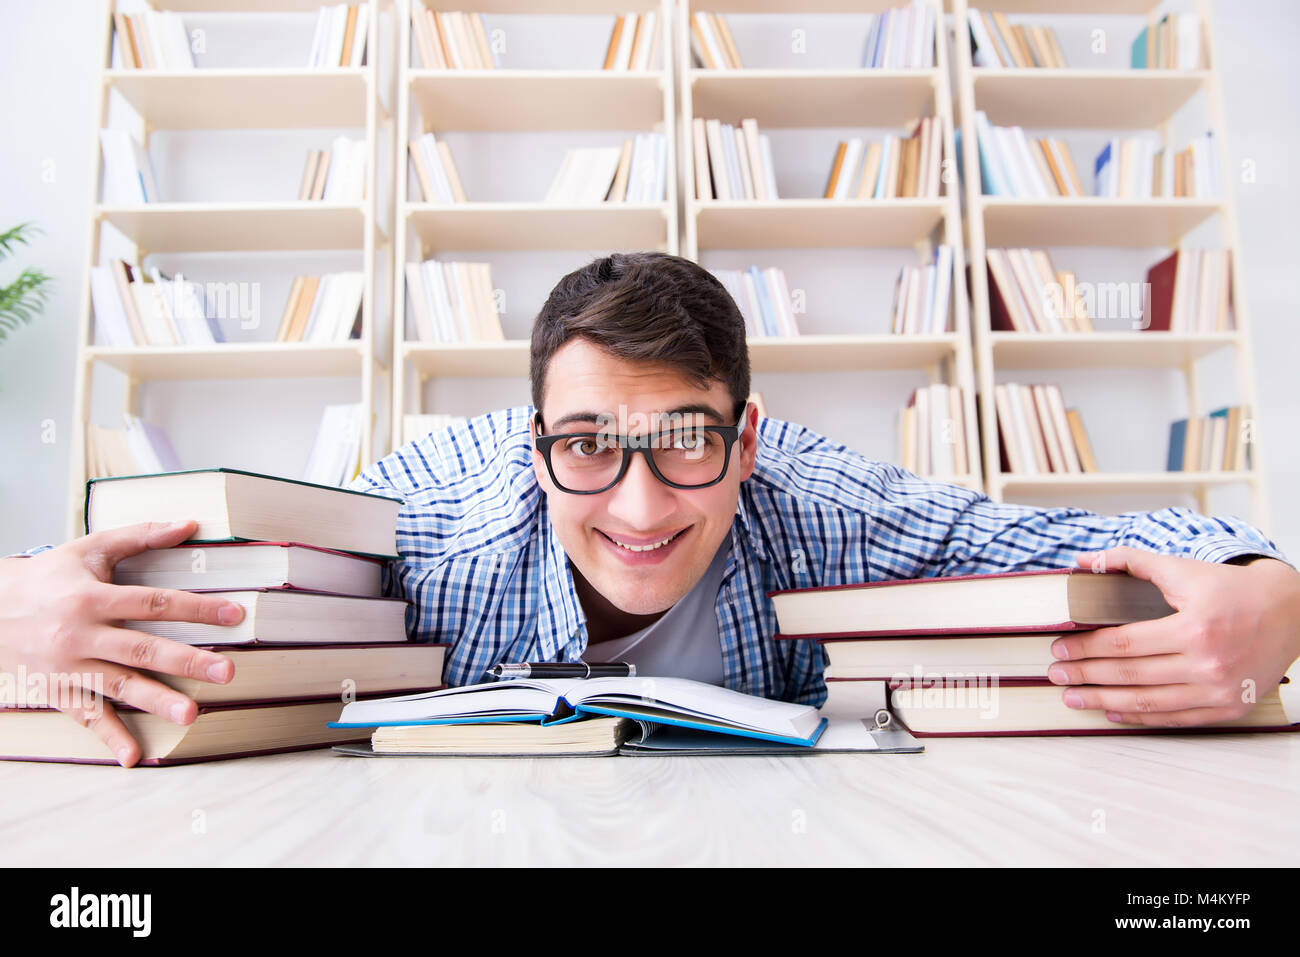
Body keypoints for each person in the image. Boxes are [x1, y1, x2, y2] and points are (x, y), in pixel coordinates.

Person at [4, 252, 1299, 767]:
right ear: (533, 448)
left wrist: (1275, 596)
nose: (634, 502)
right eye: (585, 446)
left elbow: (1054, 544)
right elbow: (155, 582)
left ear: (745, 440)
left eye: (685, 443)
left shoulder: (822, 506)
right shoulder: (431, 518)